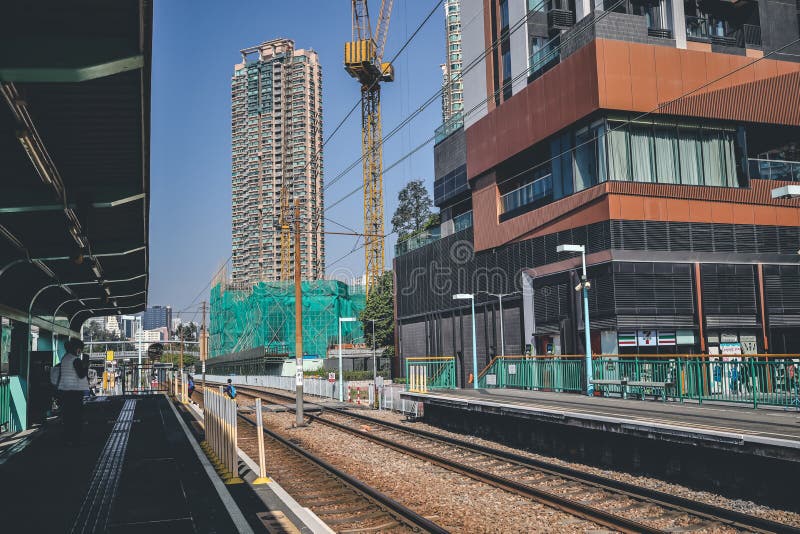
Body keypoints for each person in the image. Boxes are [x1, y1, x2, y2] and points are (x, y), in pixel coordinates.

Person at [50, 338, 89, 446]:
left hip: (65, 391)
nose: (81, 351)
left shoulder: (65, 358)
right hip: (75, 392)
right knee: (76, 416)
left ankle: (68, 438)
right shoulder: (75, 360)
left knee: (68, 416)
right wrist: (85, 364)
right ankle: (75, 439)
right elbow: (81, 375)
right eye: (80, 349)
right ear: (77, 349)